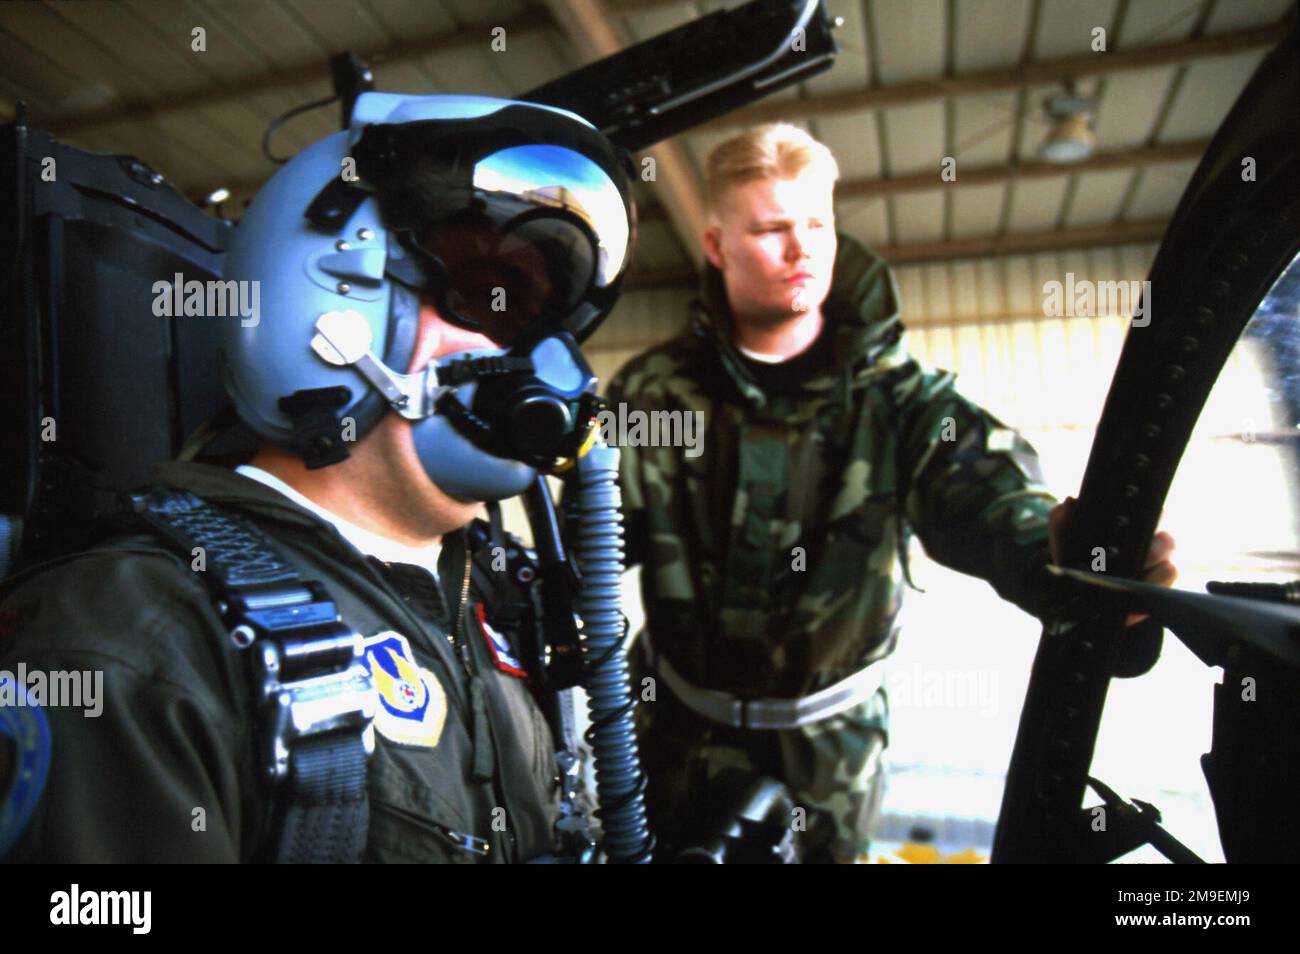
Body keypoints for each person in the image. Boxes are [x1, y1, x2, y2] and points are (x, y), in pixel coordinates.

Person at [0, 93, 638, 863]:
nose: (539, 363)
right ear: (339, 303)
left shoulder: (495, 604)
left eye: (536, 318)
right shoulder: (132, 644)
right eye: (485, 295)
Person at [608, 122, 1177, 863]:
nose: (802, 247)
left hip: (832, 764)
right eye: (772, 228)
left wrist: (1078, 566)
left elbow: (995, 503)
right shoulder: (652, 395)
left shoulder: (903, 401)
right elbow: (590, 546)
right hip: (674, 741)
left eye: (817, 223)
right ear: (716, 247)